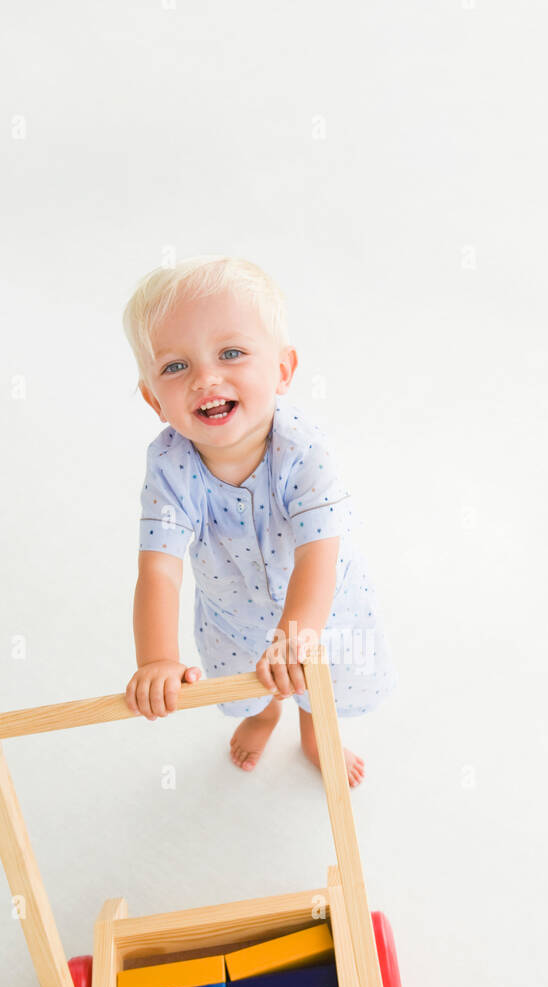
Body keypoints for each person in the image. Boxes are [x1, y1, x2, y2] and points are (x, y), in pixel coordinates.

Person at [122, 255, 396, 788]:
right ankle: (264, 714)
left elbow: (319, 548)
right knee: (245, 683)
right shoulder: (169, 467)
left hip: (320, 608)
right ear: (155, 399)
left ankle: (316, 731)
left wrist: (296, 633)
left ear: (283, 371)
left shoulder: (303, 449)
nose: (206, 377)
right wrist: (156, 659)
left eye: (231, 353)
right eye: (175, 366)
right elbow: (160, 571)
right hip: (232, 612)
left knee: (316, 677)